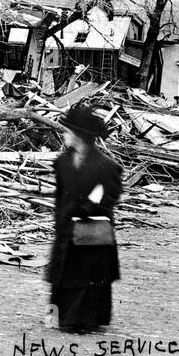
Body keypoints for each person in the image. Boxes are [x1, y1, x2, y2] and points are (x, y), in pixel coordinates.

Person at [45, 104, 123, 334]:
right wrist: (60, 221)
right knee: (65, 274)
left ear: (80, 136)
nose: (64, 135)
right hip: (66, 227)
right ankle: (62, 318)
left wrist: (88, 207)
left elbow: (110, 194)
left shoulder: (106, 166)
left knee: (89, 275)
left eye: (67, 131)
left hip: (92, 228)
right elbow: (60, 196)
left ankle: (87, 320)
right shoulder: (62, 163)